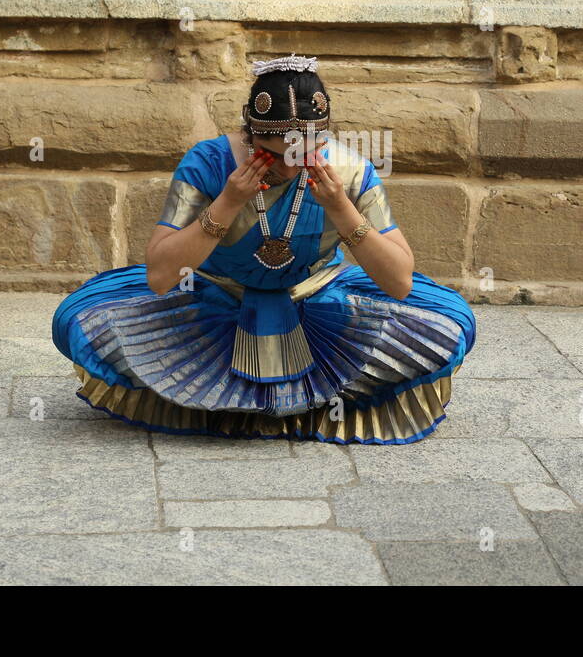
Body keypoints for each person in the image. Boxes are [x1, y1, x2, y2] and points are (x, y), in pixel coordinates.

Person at [51, 54, 476, 443]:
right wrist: (229, 201)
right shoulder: (209, 163)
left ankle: (281, 405)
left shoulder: (348, 170)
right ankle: (245, 403)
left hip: (319, 303)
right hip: (215, 303)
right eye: (274, 155)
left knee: (449, 327)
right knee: (79, 323)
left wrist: (342, 209)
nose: (290, 167)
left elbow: (399, 282)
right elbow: (161, 276)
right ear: (249, 134)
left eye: (304, 153)